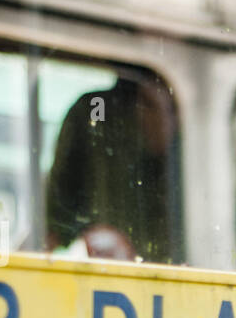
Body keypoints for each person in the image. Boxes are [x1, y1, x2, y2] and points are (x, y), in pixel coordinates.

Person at [45, 74, 181, 262]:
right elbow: (54, 221)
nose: (165, 122)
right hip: (105, 272)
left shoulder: (203, 139)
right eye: (149, 106)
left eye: (172, 110)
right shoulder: (93, 111)